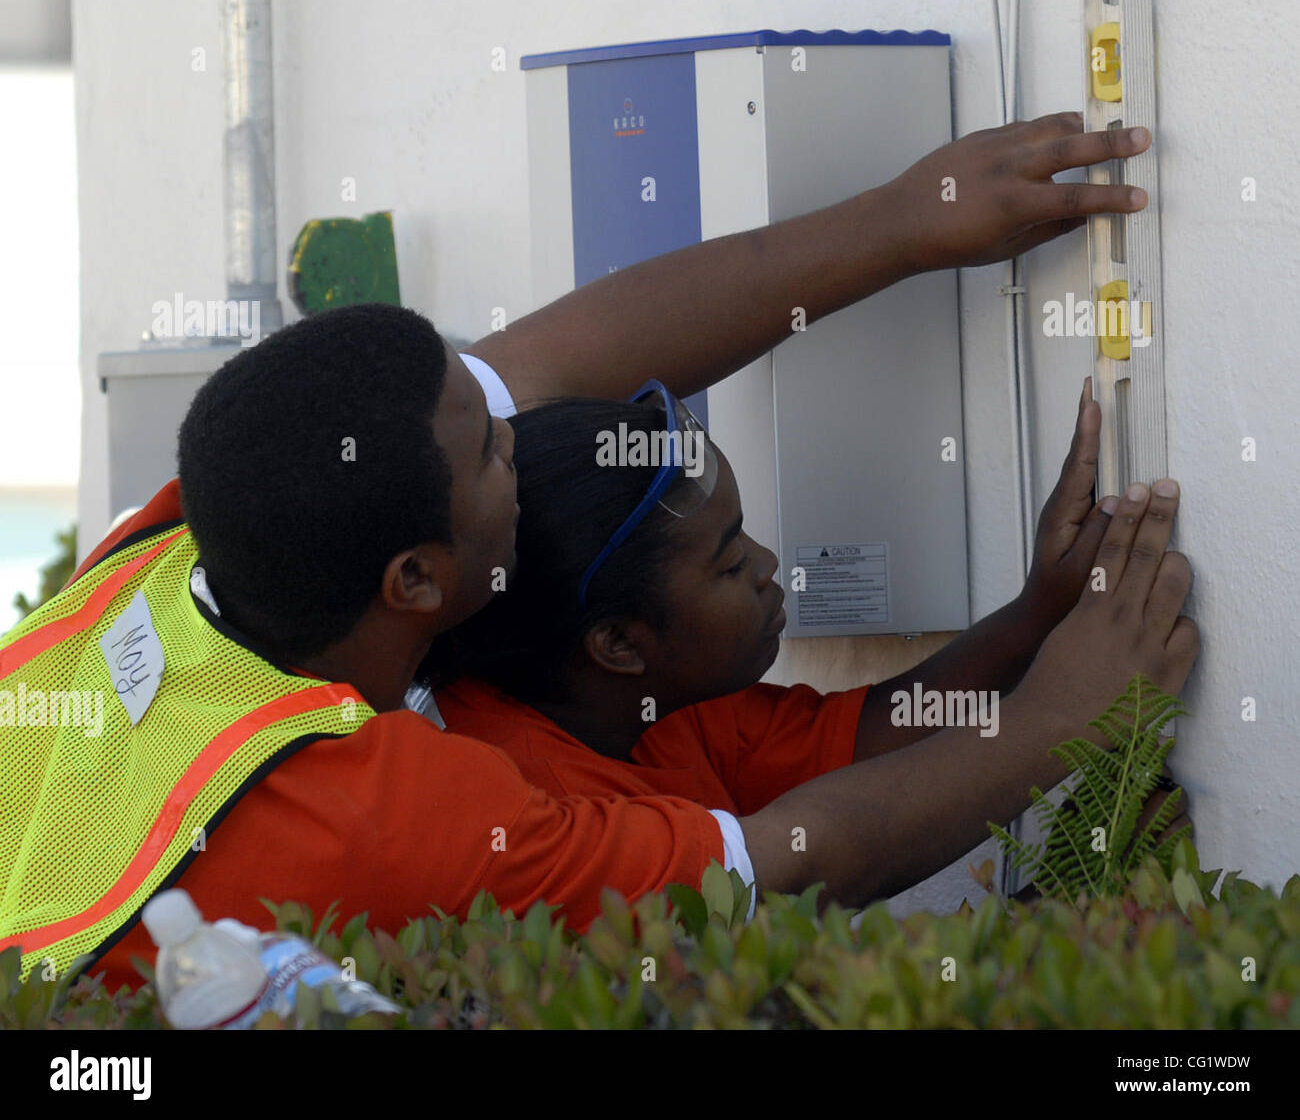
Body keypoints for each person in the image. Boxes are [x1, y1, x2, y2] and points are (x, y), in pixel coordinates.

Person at [0, 115, 1188, 994]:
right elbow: (769, 868)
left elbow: (563, 353)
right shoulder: (396, 808)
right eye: (491, 458)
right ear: (415, 581)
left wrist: (903, 222)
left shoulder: (185, 538)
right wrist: (1065, 718)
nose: (522, 436)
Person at [421, 383, 1194, 883]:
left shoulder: (636, 703)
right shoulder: (530, 808)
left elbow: (869, 740)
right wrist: (1059, 715)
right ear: (619, 644)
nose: (767, 565)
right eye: (728, 564)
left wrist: (1037, 615)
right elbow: (813, 864)